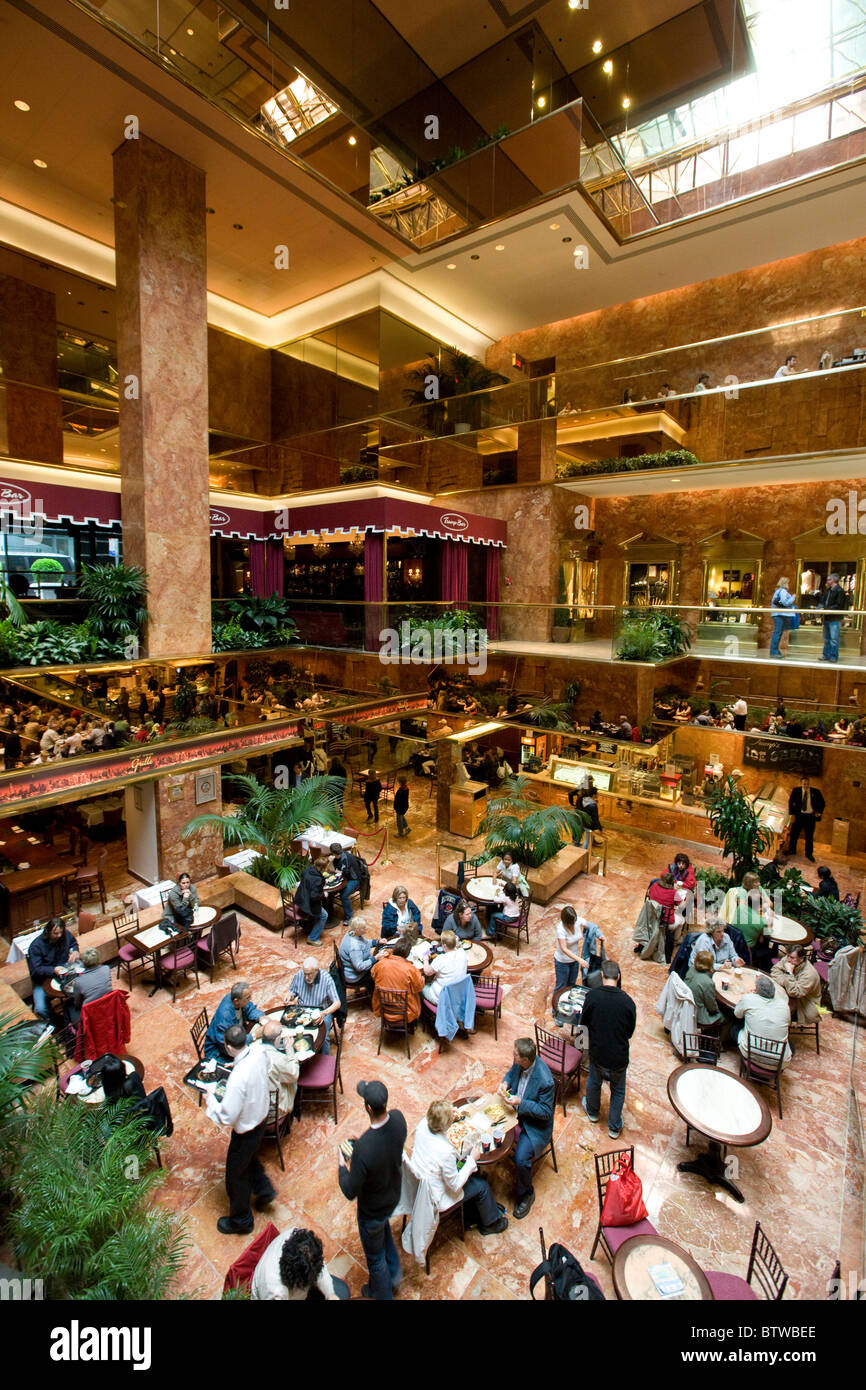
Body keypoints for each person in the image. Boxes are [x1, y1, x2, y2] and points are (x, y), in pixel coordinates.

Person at [338, 1079, 407, 1300]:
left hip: (373, 1210)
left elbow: (350, 1190)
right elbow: (383, 1147)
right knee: (384, 1232)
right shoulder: (398, 1119)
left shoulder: (364, 1150)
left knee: (375, 1258)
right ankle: (395, 1275)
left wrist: (342, 1165)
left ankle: (382, 1293)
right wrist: (363, 1143)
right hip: (393, 1195)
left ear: (368, 1108)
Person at [206, 1024, 275, 1234]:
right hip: (262, 1117)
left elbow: (227, 1115)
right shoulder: (259, 1051)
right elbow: (269, 1068)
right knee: (249, 1158)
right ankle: (264, 1189)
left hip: (246, 1130)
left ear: (228, 1048)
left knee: (235, 1176)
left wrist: (211, 1100)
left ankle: (242, 1220)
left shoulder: (238, 1077)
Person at [410, 1100, 507, 1237]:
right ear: (445, 1125)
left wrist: (449, 1114)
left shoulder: (422, 1125)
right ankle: (491, 1223)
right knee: (482, 1186)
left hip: (418, 1180)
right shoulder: (445, 1152)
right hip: (434, 1196)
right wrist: (472, 1159)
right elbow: (455, 1185)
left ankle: (476, 1209)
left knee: (464, 1166)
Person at [498, 1038, 555, 1219]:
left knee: (521, 1159)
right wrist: (505, 1084)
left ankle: (526, 1193)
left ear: (525, 1060)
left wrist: (521, 1102)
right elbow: (510, 1074)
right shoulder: (519, 1064)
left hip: (533, 1125)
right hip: (513, 1112)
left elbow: (545, 1112)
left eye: (515, 1055)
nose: (512, 1056)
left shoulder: (546, 1080)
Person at [580, 959, 636, 1140]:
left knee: (594, 1082)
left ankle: (593, 1112)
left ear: (602, 975)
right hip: (618, 1057)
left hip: (598, 1052)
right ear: (618, 977)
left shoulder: (592, 996)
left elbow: (584, 1024)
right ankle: (613, 1126)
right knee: (618, 1090)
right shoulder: (628, 1002)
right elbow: (629, 1032)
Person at [251, 1225, 348, 1301]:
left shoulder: (301, 1240)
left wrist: (330, 1294)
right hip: (283, 1294)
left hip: (299, 1290)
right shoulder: (274, 1291)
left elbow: (319, 1267)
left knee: (343, 1291)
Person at [732, 975, 791, 1067]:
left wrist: (750, 996)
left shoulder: (748, 998)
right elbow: (788, 1024)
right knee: (789, 1044)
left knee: (735, 1027)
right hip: (778, 1062)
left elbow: (737, 1014)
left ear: (757, 990)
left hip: (751, 1054)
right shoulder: (784, 1006)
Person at [28, 917, 80, 1021]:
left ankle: (72, 1017)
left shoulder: (65, 935)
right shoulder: (36, 947)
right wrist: (53, 970)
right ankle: (58, 1022)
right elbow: (36, 970)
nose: (59, 936)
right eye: (56, 933)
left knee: (84, 988)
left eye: (61, 933)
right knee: (40, 1009)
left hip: (65, 972)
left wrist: (75, 951)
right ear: (48, 932)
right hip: (43, 979)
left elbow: (73, 943)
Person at [286, 958, 341, 1054]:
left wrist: (324, 1013)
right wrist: (289, 996)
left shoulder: (326, 978)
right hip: (302, 1010)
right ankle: (301, 1057)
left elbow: (337, 1003)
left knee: (323, 1037)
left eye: (310, 974)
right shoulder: (299, 975)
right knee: (291, 1031)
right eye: (305, 974)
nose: (307, 977)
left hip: (321, 1011)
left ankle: (324, 1061)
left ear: (316, 971)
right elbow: (292, 992)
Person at [204, 981, 263, 1061]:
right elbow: (229, 1046)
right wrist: (253, 1035)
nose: (250, 999)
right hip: (219, 1053)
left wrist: (261, 1017)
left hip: (238, 1035)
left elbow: (249, 1008)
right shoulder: (225, 1018)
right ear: (236, 1001)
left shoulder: (238, 999)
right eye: (247, 998)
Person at [371, 938, 425, 1023]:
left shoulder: (381, 964)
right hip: (407, 1012)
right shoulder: (410, 969)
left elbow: (373, 975)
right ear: (407, 954)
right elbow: (419, 987)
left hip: (382, 1009)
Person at [771, 945, 822, 1023]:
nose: (788, 959)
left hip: (803, 1003)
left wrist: (789, 974)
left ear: (801, 959)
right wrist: (785, 981)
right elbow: (774, 971)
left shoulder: (809, 974)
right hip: (790, 992)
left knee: (778, 1009)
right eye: (787, 955)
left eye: (791, 957)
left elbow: (795, 993)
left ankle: (778, 1030)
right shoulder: (789, 959)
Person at [67, 945, 112, 1027]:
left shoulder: (79, 981)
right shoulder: (106, 969)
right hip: (108, 1006)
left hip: (90, 1014)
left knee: (68, 1005)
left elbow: (77, 1003)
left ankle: (72, 1034)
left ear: (83, 963)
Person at [422, 930, 467, 1002]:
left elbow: (427, 972)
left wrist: (425, 960)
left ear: (444, 946)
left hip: (442, 998)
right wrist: (454, 941)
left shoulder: (440, 959)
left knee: (421, 986)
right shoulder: (462, 952)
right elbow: (458, 947)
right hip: (458, 994)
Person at [787, 776, 825, 861]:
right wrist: (792, 814)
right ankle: (791, 850)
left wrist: (819, 812)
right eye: (804, 783)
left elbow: (822, 802)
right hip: (799, 816)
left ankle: (809, 854)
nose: (806, 785)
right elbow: (790, 802)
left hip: (810, 817)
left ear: (809, 784)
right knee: (794, 834)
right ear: (801, 783)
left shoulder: (816, 792)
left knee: (809, 836)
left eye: (807, 783)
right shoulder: (796, 791)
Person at [294, 853, 330, 942]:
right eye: (327, 867)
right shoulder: (318, 879)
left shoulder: (308, 869)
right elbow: (314, 896)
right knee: (324, 915)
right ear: (323, 868)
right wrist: (323, 894)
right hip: (307, 903)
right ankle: (312, 938)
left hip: (300, 898)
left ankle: (307, 926)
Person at [683, 950, 723, 1030]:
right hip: (698, 1015)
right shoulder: (708, 982)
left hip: (685, 1007)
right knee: (726, 1017)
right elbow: (712, 1008)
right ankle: (716, 1040)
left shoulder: (691, 969)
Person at [339, 919, 381, 990]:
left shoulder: (352, 933)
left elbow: (365, 943)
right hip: (355, 976)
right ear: (357, 930)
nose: (366, 928)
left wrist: (376, 942)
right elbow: (359, 966)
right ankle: (372, 993)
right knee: (379, 971)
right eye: (363, 928)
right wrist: (375, 958)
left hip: (354, 970)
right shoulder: (354, 947)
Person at [330, 841, 363, 925]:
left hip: (354, 880)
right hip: (346, 878)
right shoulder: (338, 857)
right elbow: (336, 870)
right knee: (332, 891)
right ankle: (330, 911)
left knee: (344, 895)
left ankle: (350, 917)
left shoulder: (345, 859)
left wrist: (334, 867)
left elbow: (343, 872)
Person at [818, 573, 848, 663]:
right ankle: (826, 655)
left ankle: (833, 656)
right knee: (826, 638)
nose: (827, 581)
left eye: (829, 580)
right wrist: (821, 607)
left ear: (833, 580)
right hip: (827, 617)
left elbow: (839, 605)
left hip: (834, 618)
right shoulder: (828, 590)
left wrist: (826, 609)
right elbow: (823, 600)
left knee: (833, 639)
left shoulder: (840, 591)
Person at [553, 904, 582, 992]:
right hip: (562, 962)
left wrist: (598, 933)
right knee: (561, 986)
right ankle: (556, 1004)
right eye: (571, 922)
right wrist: (580, 959)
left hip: (574, 960)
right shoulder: (560, 929)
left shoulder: (577, 921)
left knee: (572, 984)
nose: (574, 924)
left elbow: (588, 924)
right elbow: (564, 948)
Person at [769, 577, 796, 658]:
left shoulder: (778, 591)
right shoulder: (783, 591)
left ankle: (775, 651)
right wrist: (793, 597)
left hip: (777, 614)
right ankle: (774, 652)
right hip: (780, 615)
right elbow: (786, 603)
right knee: (777, 633)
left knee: (778, 633)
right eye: (788, 583)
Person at [577, 911, 605, 982]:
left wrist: (599, 935)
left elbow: (593, 927)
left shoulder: (580, 922)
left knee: (586, 972)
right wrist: (580, 960)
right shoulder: (563, 931)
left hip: (586, 956)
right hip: (573, 957)